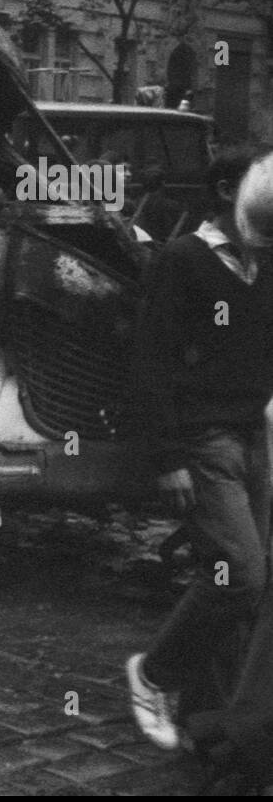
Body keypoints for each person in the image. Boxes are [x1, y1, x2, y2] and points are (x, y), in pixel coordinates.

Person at [126, 147, 273, 755]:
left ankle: (207, 724)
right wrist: (166, 457)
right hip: (202, 437)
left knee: (248, 586)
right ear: (222, 193)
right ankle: (154, 674)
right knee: (239, 573)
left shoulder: (264, 262)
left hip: (254, 434)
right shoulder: (184, 261)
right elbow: (148, 360)